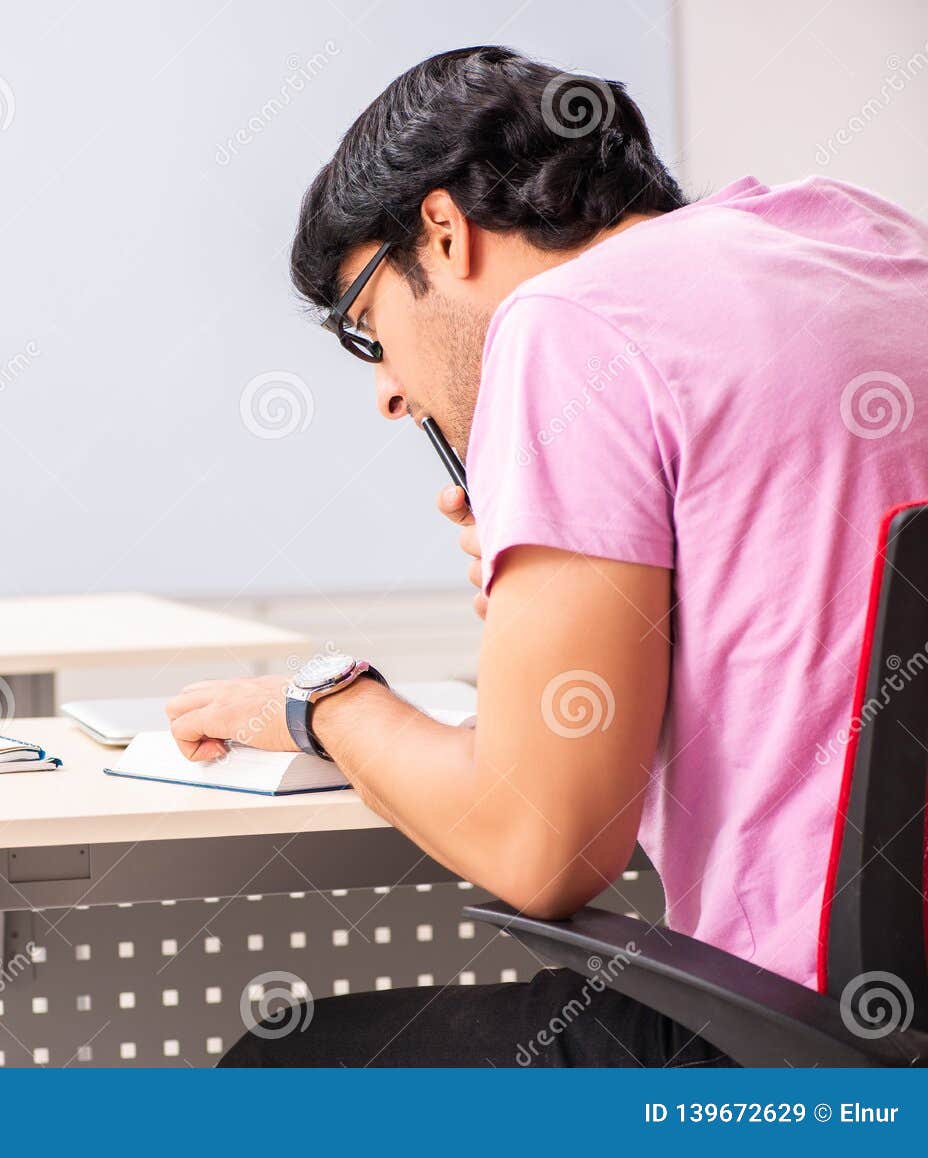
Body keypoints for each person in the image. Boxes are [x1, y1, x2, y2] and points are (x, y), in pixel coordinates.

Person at [164, 45, 928, 1066]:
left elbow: (541, 850)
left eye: (365, 326)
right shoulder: (867, 241)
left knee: (279, 1065)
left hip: (801, 1057)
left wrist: (322, 702)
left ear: (440, 231)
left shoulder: (566, 325)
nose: (386, 388)